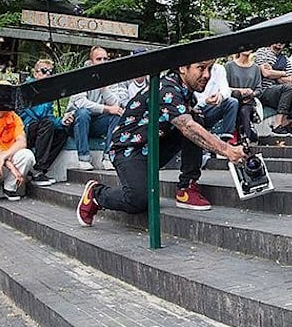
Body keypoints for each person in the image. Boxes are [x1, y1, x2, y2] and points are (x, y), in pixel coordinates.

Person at [77, 60, 247, 225]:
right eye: (201, 68)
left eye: (210, 68)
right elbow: (187, 127)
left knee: (196, 117)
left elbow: (191, 125)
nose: (207, 75)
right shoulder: (167, 89)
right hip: (128, 149)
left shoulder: (185, 91)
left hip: (154, 146)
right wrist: (227, 150)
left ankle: (187, 187)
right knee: (139, 200)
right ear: (182, 67)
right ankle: (96, 193)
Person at [17, 59, 73, 187]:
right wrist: (49, 93)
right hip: (24, 130)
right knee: (47, 124)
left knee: (62, 132)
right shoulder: (28, 89)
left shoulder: (47, 92)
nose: (47, 74)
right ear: (36, 74)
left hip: (39, 127)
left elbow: (48, 117)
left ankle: (40, 169)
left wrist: (62, 121)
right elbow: (39, 114)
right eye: (44, 71)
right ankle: (37, 170)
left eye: (50, 72)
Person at [68, 46, 125, 170]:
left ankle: (108, 157)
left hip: (96, 122)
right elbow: (81, 103)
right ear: (91, 62)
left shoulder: (111, 77)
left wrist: (103, 88)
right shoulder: (81, 76)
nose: (102, 62)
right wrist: (106, 108)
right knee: (83, 113)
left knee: (117, 114)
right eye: (99, 59)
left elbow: (115, 103)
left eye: (105, 59)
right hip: (76, 122)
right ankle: (83, 158)